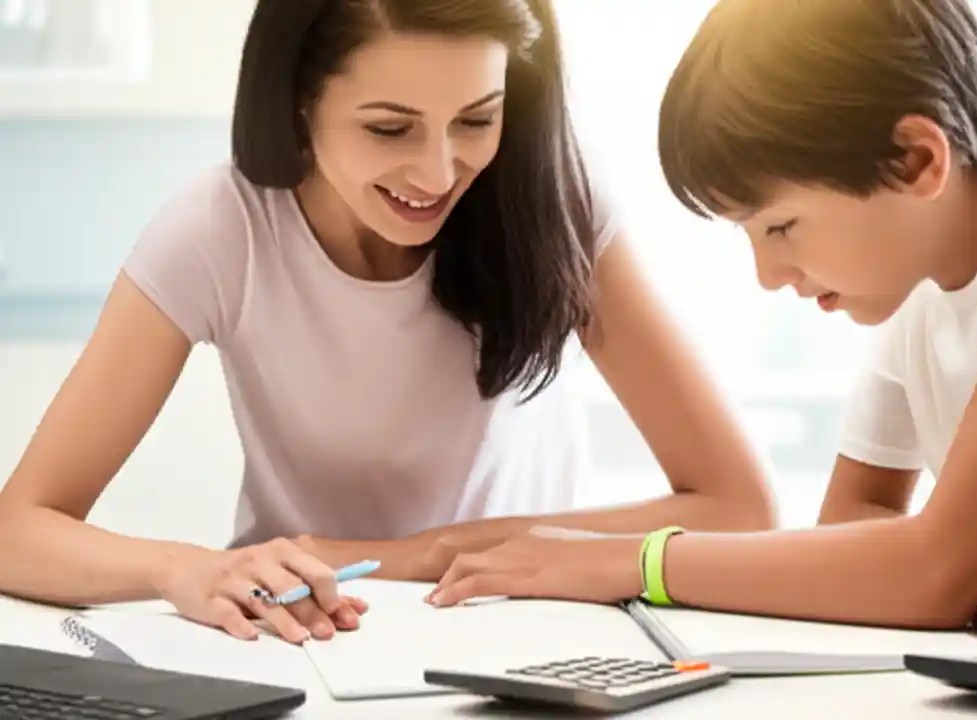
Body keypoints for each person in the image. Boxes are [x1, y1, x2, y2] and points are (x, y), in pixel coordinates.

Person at [427, 0, 977, 651]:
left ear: (917, 160)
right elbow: (857, 531)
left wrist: (626, 559)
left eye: (782, 227)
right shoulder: (920, 297)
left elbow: (925, 571)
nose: (769, 275)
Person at [0, 0, 778, 645]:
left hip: (525, 631)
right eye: (389, 129)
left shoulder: (552, 200)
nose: (439, 173)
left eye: (477, 120)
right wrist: (184, 568)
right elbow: (18, 532)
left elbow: (739, 509)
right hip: (309, 637)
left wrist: (426, 552)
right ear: (300, 101)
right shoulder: (222, 228)